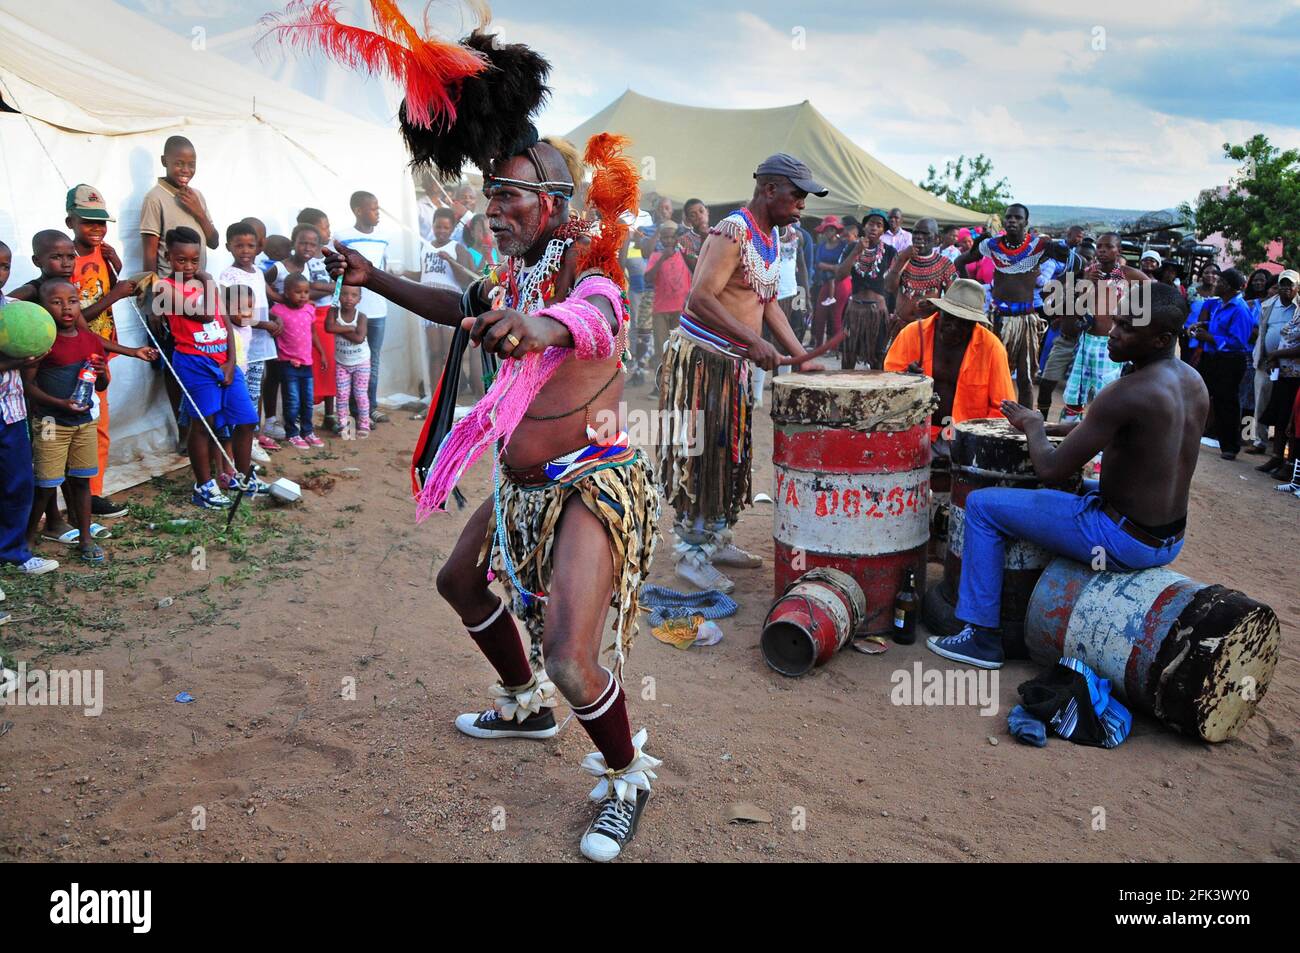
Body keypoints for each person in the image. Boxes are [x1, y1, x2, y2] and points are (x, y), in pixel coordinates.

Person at [927, 282, 1208, 669]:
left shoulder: (1127, 392)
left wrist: (1034, 425)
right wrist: (1052, 427)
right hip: (1166, 538)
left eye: (1126, 327)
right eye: (1115, 321)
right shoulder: (1192, 382)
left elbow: (1051, 471)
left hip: (1120, 539)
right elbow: (1113, 428)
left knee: (981, 505)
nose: (1111, 331)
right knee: (1081, 488)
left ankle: (981, 636)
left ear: (1161, 338)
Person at [658, 153, 818, 592]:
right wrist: (754, 342)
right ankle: (690, 554)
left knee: (728, 454)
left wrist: (800, 355)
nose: (803, 204)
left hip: (732, 366)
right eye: (797, 195)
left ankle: (714, 538)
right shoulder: (733, 232)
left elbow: (766, 303)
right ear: (770, 190)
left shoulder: (769, 238)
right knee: (702, 454)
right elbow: (699, 298)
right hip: (703, 365)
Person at [154, 227, 262, 507]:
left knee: (247, 418)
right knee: (203, 425)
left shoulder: (204, 282)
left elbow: (223, 321)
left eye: (194, 260)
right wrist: (208, 280)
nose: (189, 267)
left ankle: (242, 476)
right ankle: (203, 486)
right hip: (194, 362)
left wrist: (229, 362)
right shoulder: (164, 287)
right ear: (168, 257)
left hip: (223, 358)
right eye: (181, 260)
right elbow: (202, 315)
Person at [63, 184, 141, 519]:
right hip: (76, 356)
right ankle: (72, 494)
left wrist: (116, 265)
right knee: (75, 429)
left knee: (99, 429)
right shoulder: (66, 261)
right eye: (88, 222)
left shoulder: (102, 252)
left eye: (101, 223)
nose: (96, 229)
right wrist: (117, 294)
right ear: (71, 221)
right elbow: (74, 318)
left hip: (100, 354)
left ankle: (94, 493)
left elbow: (109, 284)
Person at [22, 282, 110, 564]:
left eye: (72, 301)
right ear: (43, 307)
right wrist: (59, 404)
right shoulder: (42, 341)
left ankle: (85, 538)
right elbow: (28, 385)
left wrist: (101, 372)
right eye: (57, 302)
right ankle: (27, 540)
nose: (66, 308)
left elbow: (103, 383)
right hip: (50, 421)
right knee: (46, 483)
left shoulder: (90, 340)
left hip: (83, 421)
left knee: (81, 480)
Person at [953, 204, 1072, 406]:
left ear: (1026, 222)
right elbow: (960, 262)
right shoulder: (992, 245)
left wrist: (1054, 289)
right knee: (988, 374)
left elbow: (1071, 263)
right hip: (996, 319)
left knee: (1025, 379)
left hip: (1025, 321)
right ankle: (985, 419)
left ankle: (1024, 427)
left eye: (1017, 218)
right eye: (1009, 217)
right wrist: (968, 292)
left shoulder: (1039, 246)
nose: (1012, 221)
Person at [884, 278, 1015, 445]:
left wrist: (977, 440)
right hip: (915, 432)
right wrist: (906, 380)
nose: (953, 326)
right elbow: (887, 386)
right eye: (949, 317)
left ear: (975, 323)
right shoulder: (912, 334)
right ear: (939, 312)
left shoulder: (992, 348)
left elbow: (1002, 408)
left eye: (964, 323)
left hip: (967, 440)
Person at [1062, 232, 1148, 421]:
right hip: (1087, 340)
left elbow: (1152, 290)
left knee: (1106, 394)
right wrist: (1088, 283)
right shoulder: (1090, 271)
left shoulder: (1128, 274)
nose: (1102, 251)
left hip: (1110, 342)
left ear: (1119, 251)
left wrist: (1133, 320)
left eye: (1108, 247)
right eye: (1099, 246)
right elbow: (1079, 307)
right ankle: (1069, 436)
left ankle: (1103, 441)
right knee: (1075, 391)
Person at [335, 191, 400, 425]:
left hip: (377, 309)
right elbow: (337, 274)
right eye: (373, 208)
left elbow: (385, 270)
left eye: (378, 207)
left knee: (372, 360)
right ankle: (347, 410)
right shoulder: (342, 237)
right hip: (351, 310)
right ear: (358, 210)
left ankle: (368, 407)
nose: (378, 213)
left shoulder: (384, 237)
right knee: (347, 359)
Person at [219, 222, 280, 459]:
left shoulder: (258, 272)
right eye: (239, 246)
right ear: (228, 247)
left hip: (260, 342)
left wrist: (274, 317)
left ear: (259, 247)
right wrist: (266, 324)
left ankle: (252, 436)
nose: (245, 251)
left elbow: (263, 305)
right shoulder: (228, 276)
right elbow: (234, 313)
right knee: (245, 393)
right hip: (241, 344)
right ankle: (245, 440)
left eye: (250, 246)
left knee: (256, 390)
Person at [1, 347, 60, 578]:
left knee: (19, 483)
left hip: (11, 410)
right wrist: (17, 361)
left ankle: (12, 552)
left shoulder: (9, 309)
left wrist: (30, 359)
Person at [1188, 267, 1254, 459]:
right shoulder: (1219, 304)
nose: (1216, 284)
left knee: (1227, 402)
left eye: (1221, 283)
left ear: (1232, 288)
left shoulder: (1240, 309)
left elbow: (1238, 341)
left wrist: (1209, 337)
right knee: (1200, 394)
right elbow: (1220, 327)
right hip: (1212, 358)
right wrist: (1202, 326)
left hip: (1230, 361)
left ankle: (1230, 447)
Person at [139, 136, 218, 278]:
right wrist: (153, 292)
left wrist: (199, 212)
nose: (186, 170)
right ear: (164, 161)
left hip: (196, 286)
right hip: (170, 289)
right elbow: (149, 255)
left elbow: (214, 242)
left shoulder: (197, 196)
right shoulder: (154, 198)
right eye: (179, 164)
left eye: (191, 164)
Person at [833, 209, 895, 369]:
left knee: (877, 359)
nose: (874, 228)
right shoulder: (852, 247)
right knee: (848, 356)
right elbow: (839, 275)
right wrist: (856, 251)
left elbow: (892, 284)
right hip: (854, 310)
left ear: (883, 230)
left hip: (877, 313)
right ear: (864, 227)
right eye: (871, 224)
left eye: (879, 225)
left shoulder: (889, 252)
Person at [296, 208, 340, 432]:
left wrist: (320, 287)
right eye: (325, 226)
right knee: (309, 365)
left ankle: (330, 414)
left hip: (328, 317)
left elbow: (339, 286)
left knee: (329, 364)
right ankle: (304, 416)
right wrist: (327, 288)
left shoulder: (329, 257)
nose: (329, 231)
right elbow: (302, 292)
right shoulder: (301, 262)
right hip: (308, 318)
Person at [270, 273, 325, 449]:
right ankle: (292, 433)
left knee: (307, 400)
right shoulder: (277, 311)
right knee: (292, 400)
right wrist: (284, 357)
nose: (303, 296)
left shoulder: (309, 309)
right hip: (288, 364)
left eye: (306, 292)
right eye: (298, 292)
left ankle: (308, 431)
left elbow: (313, 333)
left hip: (307, 363)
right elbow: (272, 337)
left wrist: (322, 352)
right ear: (286, 293)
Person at [1253, 270, 1299, 474]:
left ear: (1297, 288)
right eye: (1283, 284)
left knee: (1291, 419)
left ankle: (1290, 463)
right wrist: (1270, 357)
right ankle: (1276, 457)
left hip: (1295, 374)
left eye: (1291, 285)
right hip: (1275, 369)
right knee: (1277, 415)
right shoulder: (1269, 305)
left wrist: (1277, 354)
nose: (1286, 288)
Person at [885, 216, 957, 333]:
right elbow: (888, 287)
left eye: (925, 233)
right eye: (916, 233)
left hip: (928, 330)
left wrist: (934, 306)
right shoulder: (901, 257)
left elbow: (952, 300)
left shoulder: (945, 264)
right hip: (900, 328)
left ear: (936, 239)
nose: (918, 237)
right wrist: (902, 259)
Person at [645, 220, 691, 383]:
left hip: (681, 309)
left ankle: (679, 383)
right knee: (662, 348)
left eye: (672, 237)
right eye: (665, 238)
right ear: (660, 239)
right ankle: (661, 384)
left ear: (677, 238)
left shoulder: (685, 256)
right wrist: (661, 259)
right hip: (661, 310)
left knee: (681, 347)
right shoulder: (656, 256)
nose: (668, 241)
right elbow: (648, 278)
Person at [324, 283, 371, 438]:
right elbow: (329, 328)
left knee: (360, 394)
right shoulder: (333, 312)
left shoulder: (362, 316)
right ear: (338, 296)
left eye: (354, 295)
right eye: (345, 294)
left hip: (361, 361)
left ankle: (364, 423)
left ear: (359, 299)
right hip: (342, 362)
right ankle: (343, 424)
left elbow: (359, 338)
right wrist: (350, 328)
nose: (349, 298)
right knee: (342, 394)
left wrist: (340, 328)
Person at [810, 215, 846, 348]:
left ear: (836, 230)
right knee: (820, 313)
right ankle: (819, 345)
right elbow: (818, 263)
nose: (828, 232)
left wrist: (834, 268)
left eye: (831, 229)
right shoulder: (821, 246)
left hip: (841, 283)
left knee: (836, 315)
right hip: (825, 282)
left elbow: (844, 265)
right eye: (826, 230)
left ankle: (835, 346)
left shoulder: (844, 245)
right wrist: (833, 267)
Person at [679, 198, 710, 271]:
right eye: (693, 215)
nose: (699, 216)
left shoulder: (719, 232)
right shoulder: (684, 240)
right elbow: (695, 268)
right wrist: (703, 238)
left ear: (707, 211)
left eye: (701, 211)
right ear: (688, 220)